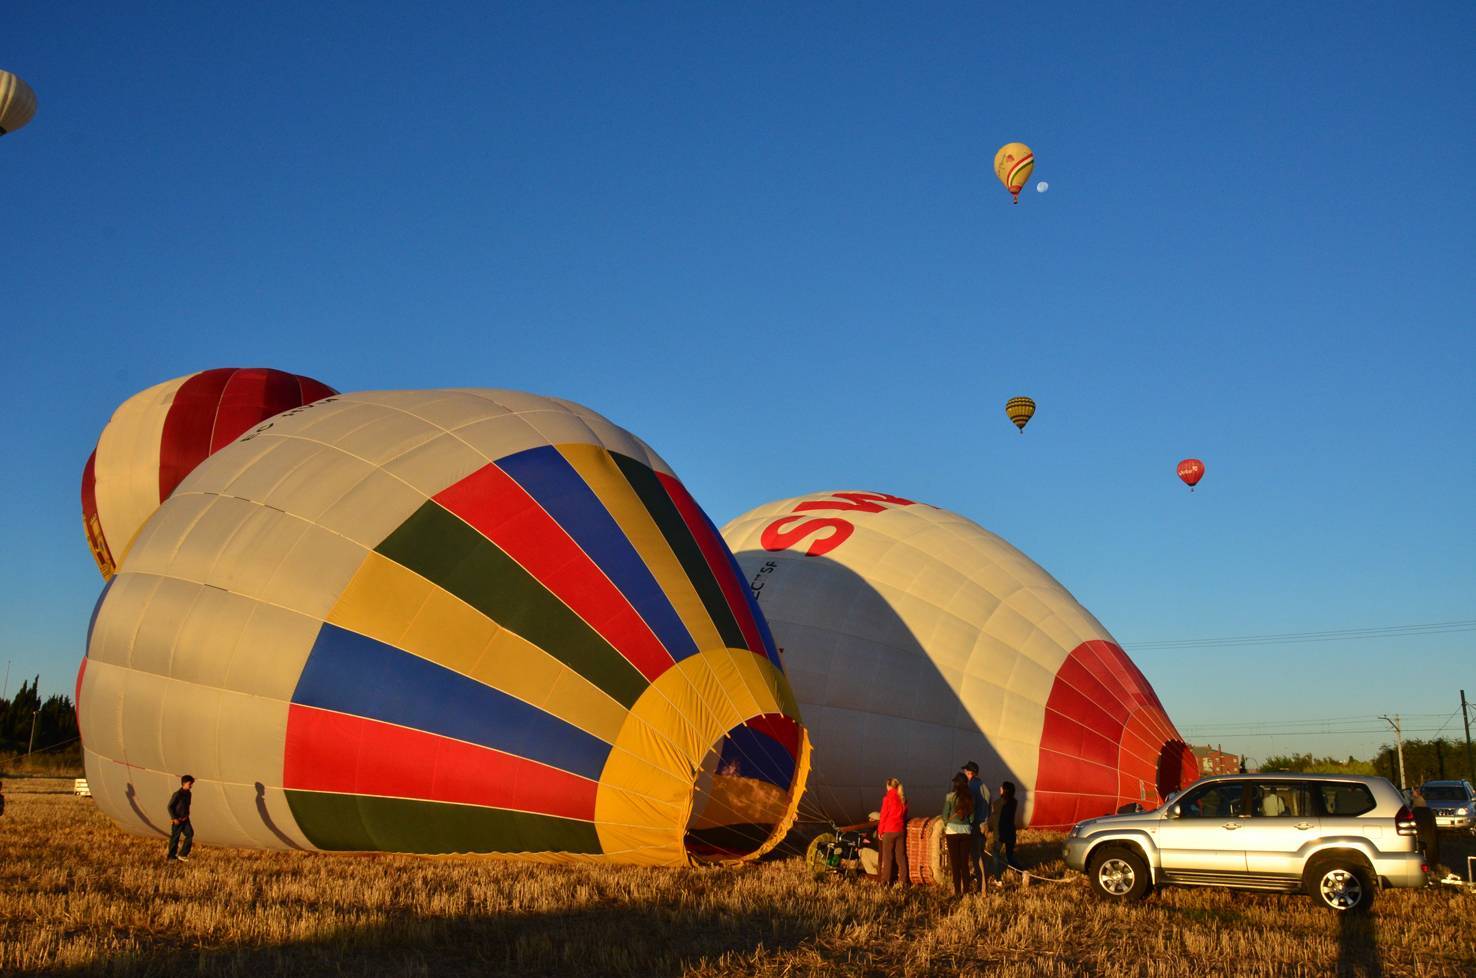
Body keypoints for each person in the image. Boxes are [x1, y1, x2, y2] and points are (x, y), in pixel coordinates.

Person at [942, 773, 975, 896]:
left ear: (956, 784)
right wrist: (968, 825)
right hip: (966, 832)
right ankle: (966, 890)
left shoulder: (950, 797)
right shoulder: (970, 797)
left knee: (955, 864)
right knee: (964, 863)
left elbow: (945, 815)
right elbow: (972, 817)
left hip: (952, 832)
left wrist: (947, 825)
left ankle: (957, 891)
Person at [961, 761, 991, 892]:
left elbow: (970, 808)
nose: (964, 773)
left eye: (965, 771)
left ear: (969, 773)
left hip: (976, 825)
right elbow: (990, 806)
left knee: (976, 857)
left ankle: (982, 888)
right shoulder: (984, 785)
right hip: (984, 825)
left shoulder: (972, 787)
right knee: (982, 856)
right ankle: (982, 884)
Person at [875, 778, 909, 888]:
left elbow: (883, 816)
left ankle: (885, 882)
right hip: (900, 830)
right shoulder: (902, 798)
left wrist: (880, 831)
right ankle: (903, 882)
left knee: (888, 858)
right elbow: (904, 815)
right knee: (901, 857)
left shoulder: (887, 798)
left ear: (889, 786)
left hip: (889, 831)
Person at [991, 780, 1019, 877]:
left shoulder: (997, 803)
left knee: (995, 854)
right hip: (1011, 832)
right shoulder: (1014, 802)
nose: (1000, 789)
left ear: (1005, 790)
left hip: (1000, 833)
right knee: (1010, 857)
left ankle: (997, 878)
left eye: (1002, 787)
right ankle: (1023, 872)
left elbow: (993, 812)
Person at [166, 774, 195, 862]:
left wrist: (187, 815)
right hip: (177, 820)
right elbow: (169, 807)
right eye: (190, 783)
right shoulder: (177, 794)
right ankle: (171, 857)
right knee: (175, 838)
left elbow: (187, 806)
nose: (191, 785)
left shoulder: (189, 794)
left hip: (185, 819)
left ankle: (182, 854)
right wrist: (174, 818)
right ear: (184, 783)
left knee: (190, 834)